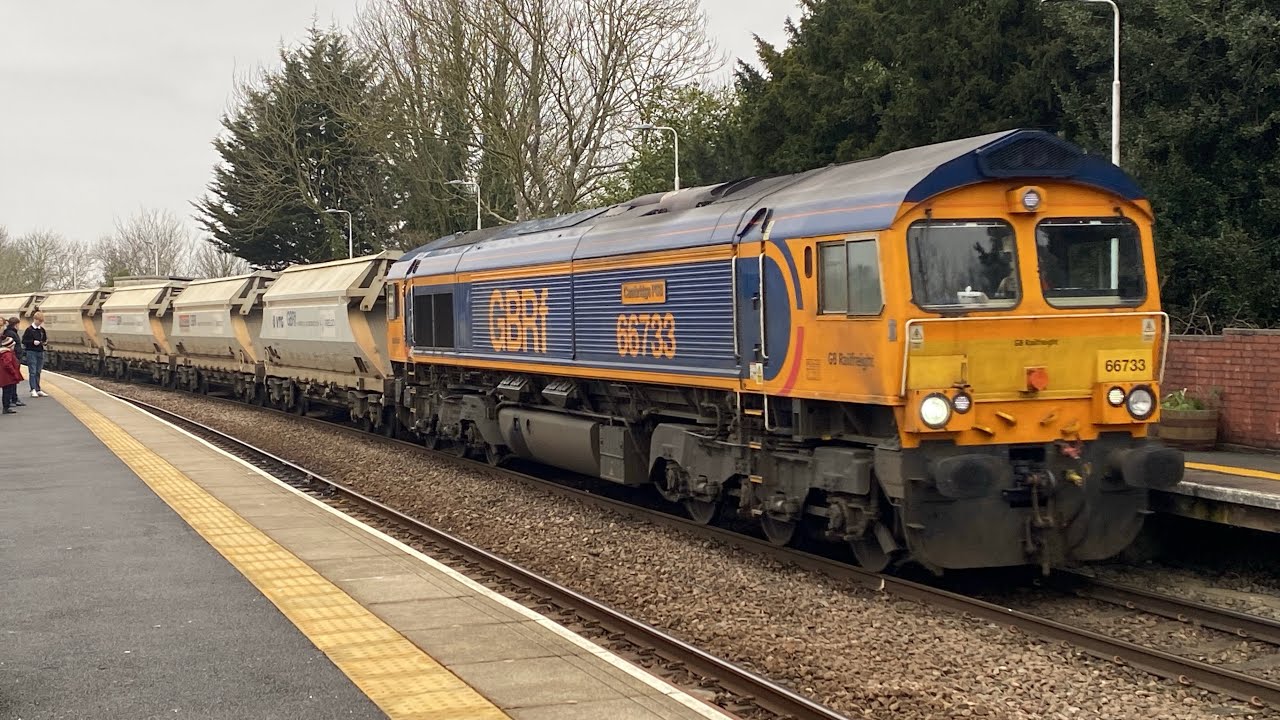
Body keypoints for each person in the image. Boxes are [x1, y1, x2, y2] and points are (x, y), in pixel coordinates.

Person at [21, 310, 48, 398]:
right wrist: (32, 342)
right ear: (35, 319)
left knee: (38, 371)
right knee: (32, 371)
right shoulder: (29, 330)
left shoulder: (42, 330)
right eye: (39, 321)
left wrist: (44, 343)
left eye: (41, 321)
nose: (39, 323)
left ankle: (38, 388)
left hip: (40, 351)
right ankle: (33, 389)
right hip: (31, 351)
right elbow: (24, 341)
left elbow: (44, 339)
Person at [2, 317, 24, 406]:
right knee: (11, 382)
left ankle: (12, 399)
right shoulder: (11, 334)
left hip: (15, 359)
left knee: (11, 383)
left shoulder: (9, 332)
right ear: (16, 324)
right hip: (14, 360)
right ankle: (12, 400)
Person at [0, 335, 22, 414]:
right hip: (8, 376)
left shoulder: (3, 352)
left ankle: (6, 406)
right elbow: (7, 364)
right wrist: (14, 372)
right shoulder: (7, 353)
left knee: (6, 391)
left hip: (5, 376)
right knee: (7, 391)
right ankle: (6, 407)